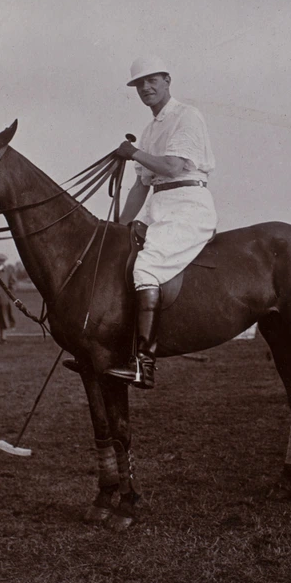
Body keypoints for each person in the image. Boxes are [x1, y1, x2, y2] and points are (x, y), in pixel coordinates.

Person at [105, 56, 217, 389]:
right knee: (118, 256)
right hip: (159, 206)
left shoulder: (186, 116)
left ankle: (144, 365)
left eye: (152, 80)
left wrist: (133, 153)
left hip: (188, 206)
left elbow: (171, 167)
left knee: (146, 269)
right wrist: (116, 229)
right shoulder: (149, 130)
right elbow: (141, 186)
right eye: (139, 84)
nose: (145, 88)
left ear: (168, 80)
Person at [0, 252, 16, 342]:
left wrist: (10, 295)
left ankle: (3, 337)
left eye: (2, 261)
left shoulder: (8, 271)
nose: (0, 262)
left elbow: (12, 283)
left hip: (4, 298)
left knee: (4, 317)